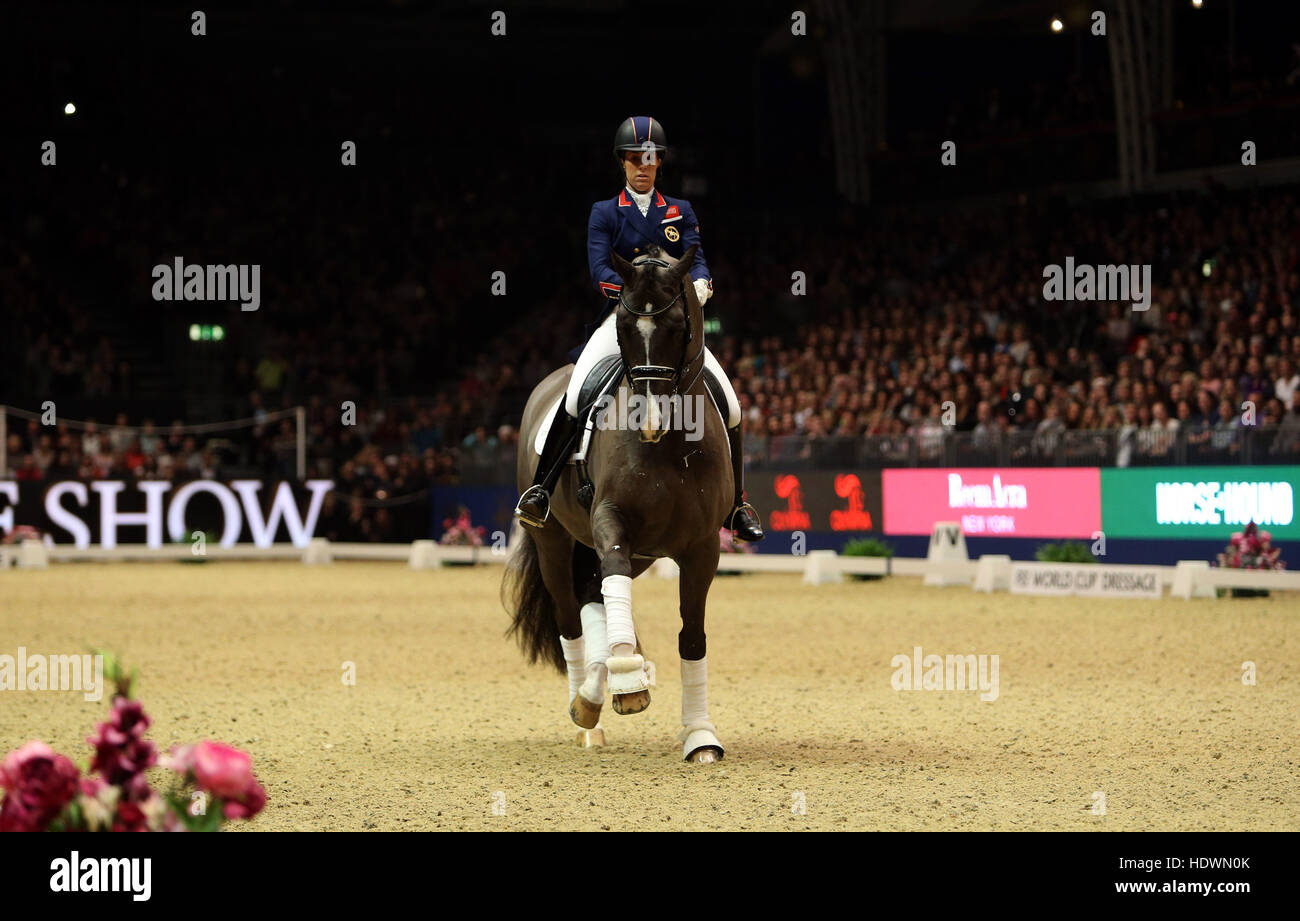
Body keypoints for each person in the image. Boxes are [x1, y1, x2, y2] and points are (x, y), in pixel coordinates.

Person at [514, 116, 763, 541]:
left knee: (732, 403)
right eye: (635, 159)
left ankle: (737, 504)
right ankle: (540, 489)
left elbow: (695, 256)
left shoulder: (680, 211)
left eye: (651, 158)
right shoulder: (605, 213)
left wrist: (701, 281)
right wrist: (630, 298)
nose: (643, 166)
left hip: (672, 324)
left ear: (659, 163)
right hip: (624, 321)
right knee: (576, 395)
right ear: (623, 163)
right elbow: (599, 269)